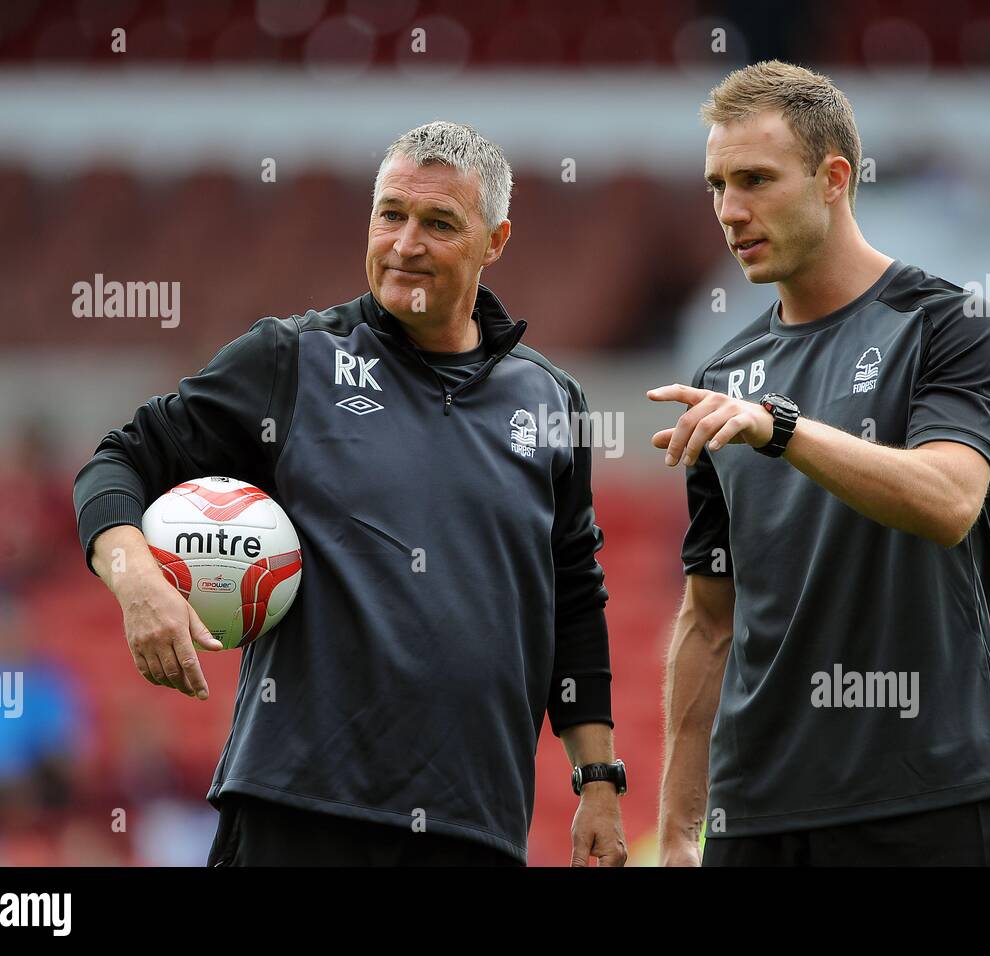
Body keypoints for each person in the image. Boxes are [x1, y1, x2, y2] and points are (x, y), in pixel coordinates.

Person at [73, 121, 627, 867]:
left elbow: (574, 594)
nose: (405, 244)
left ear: (494, 242)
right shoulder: (292, 360)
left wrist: (597, 781)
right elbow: (120, 460)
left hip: (476, 824)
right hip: (296, 810)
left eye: (438, 223)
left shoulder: (552, 400)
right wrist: (134, 576)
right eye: (390, 214)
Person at [651, 61, 990, 866]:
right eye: (716, 184)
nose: (728, 210)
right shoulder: (723, 377)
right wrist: (682, 827)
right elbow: (710, 618)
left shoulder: (951, 326)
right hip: (758, 820)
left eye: (755, 179)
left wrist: (783, 430)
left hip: (930, 799)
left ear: (833, 178)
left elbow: (949, 498)